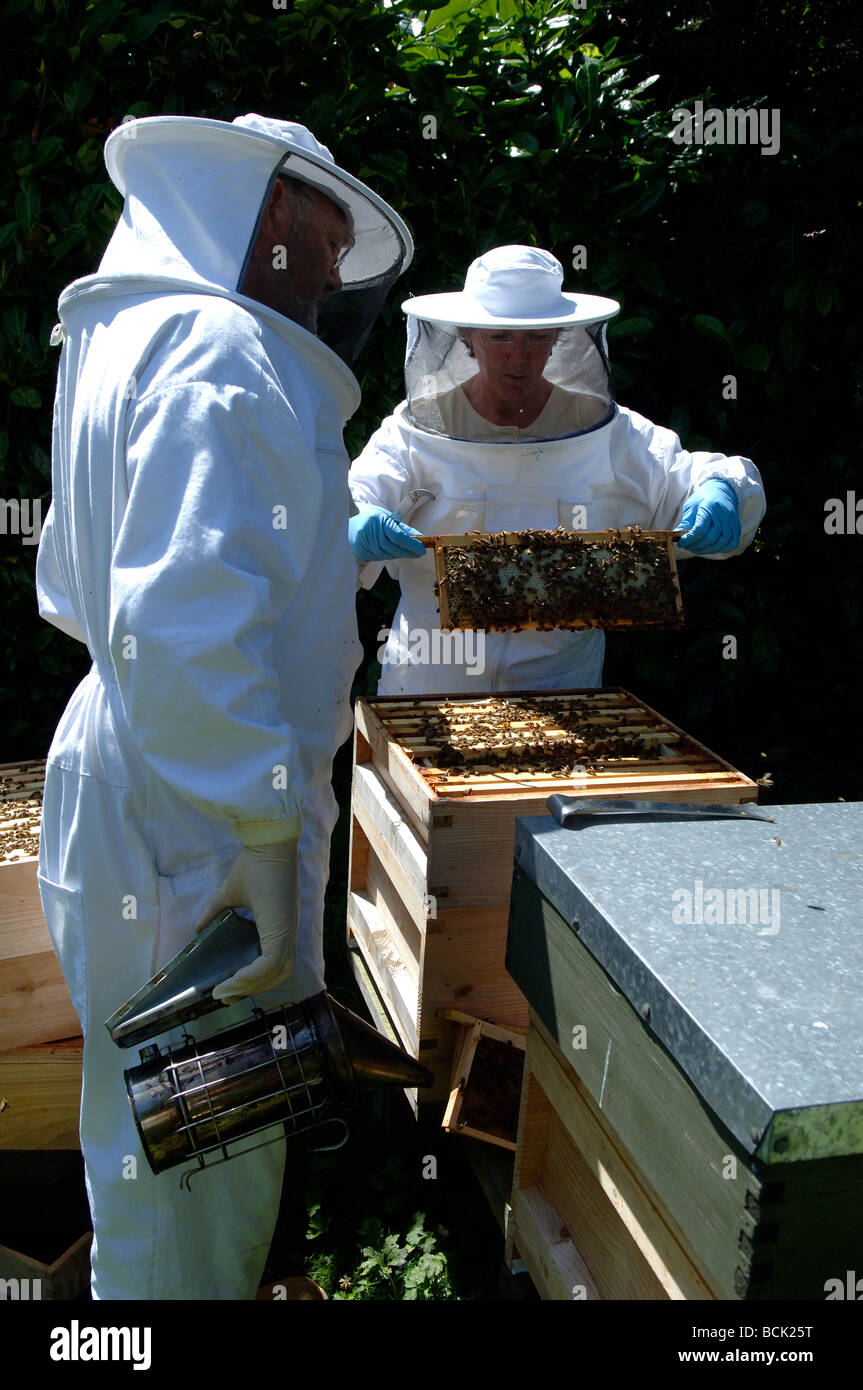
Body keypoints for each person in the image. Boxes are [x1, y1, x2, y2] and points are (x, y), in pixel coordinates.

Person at [35, 112, 412, 1300]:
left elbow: (74, 588)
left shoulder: (127, 337)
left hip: (150, 769)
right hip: (193, 816)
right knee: (198, 1164)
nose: (333, 276)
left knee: (156, 1142)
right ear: (267, 219)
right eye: (327, 237)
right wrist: (258, 824)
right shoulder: (216, 349)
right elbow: (189, 621)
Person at [348, 245, 765, 694]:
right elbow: (352, 500)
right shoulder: (411, 435)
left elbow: (696, 477)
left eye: (537, 337)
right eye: (501, 338)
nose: (519, 357)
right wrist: (355, 523)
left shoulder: (609, 434)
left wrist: (722, 491)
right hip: (430, 685)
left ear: (560, 338)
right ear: (468, 336)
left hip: (564, 692)